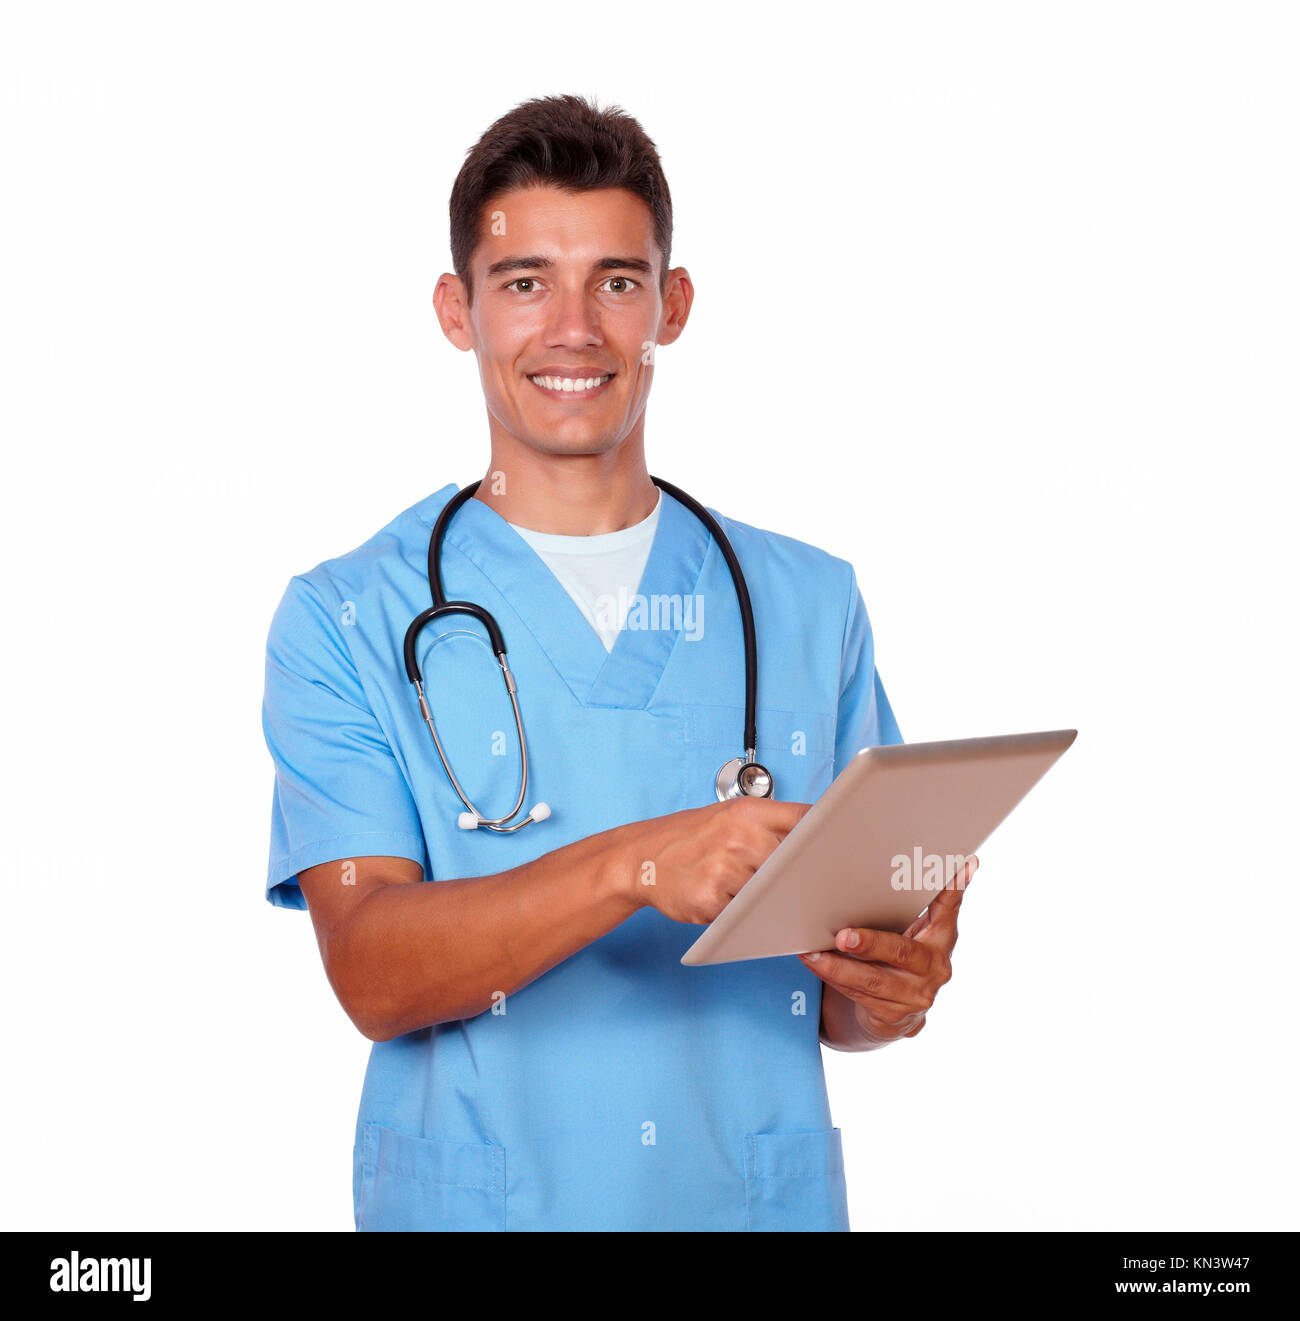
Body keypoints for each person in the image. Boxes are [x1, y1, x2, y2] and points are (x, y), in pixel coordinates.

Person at [261, 93, 972, 1232]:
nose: (575, 330)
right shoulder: (348, 616)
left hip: (749, 1204)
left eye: (618, 282)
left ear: (671, 306)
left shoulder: (807, 602)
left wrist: (892, 989)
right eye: (525, 281)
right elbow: (373, 974)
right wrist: (636, 863)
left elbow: (844, 1002)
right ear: (459, 311)